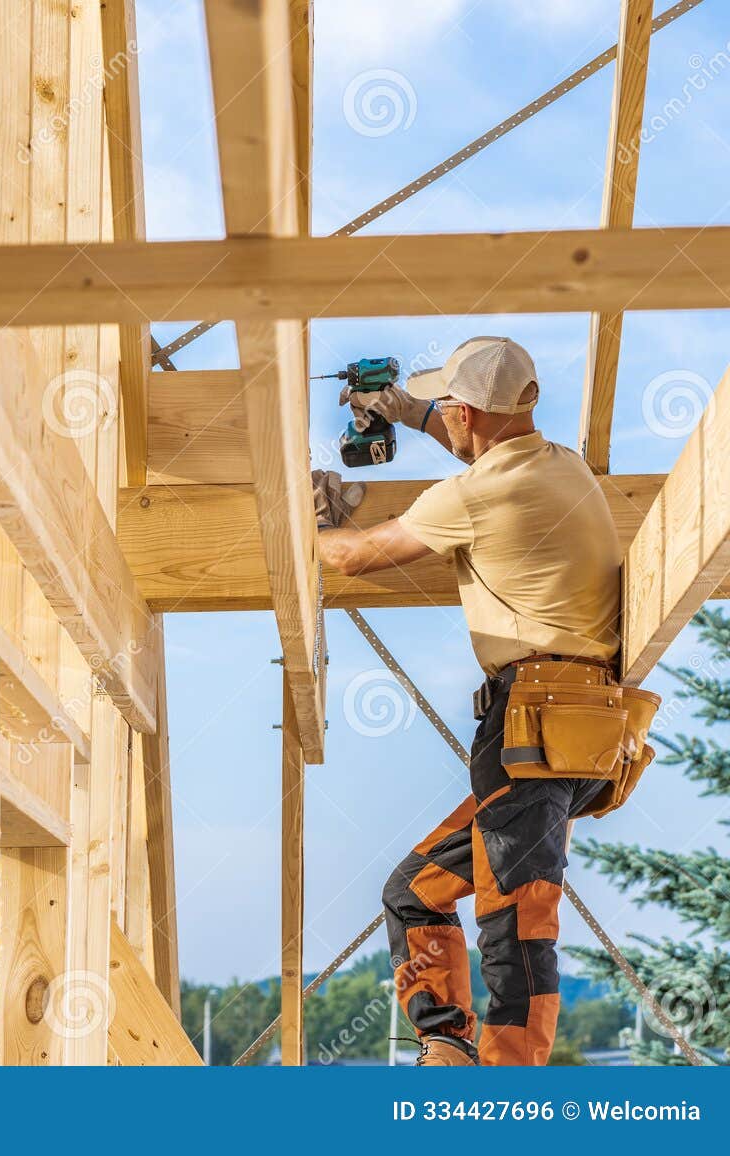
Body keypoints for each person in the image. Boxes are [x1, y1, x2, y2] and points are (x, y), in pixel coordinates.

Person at [311, 336, 623, 1067]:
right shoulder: (561, 467)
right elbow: (483, 455)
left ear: (468, 411)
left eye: (450, 406)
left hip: (531, 724)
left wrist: (320, 518)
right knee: (414, 891)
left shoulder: (474, 495)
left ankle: (510, 1084)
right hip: (578, 734)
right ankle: (448, 1044)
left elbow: (356, 557)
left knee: (516, 912)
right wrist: (407, 411)